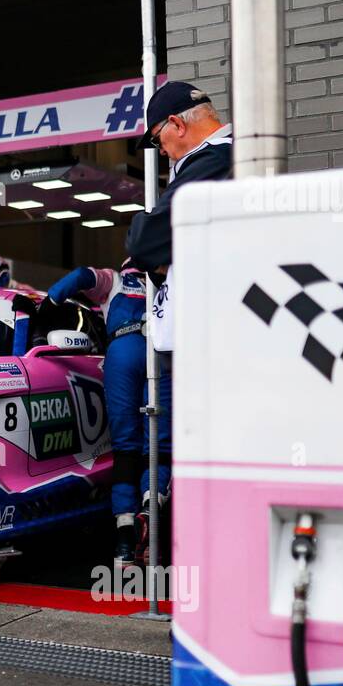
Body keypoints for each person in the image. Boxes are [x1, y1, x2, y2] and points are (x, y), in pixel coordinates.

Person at [124, 81, 233, 562]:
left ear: (176, 124)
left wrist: (153, 241)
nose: (158, 150)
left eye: (154, 139)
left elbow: (145, 244)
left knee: (206, 465)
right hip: (191, 338)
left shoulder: (218, 159)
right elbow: (154, 250)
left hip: (207, 341)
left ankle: (208, 590)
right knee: (189, 459)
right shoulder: (207, 165)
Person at [45, 260, 166, 564]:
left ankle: (124, 540)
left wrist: (52, 299)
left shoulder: (113, 280)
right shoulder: (169, 281)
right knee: (160, 446)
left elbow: (82, 275)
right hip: (162, 353)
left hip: (122, 351)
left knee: (126, 447)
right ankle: (150, 521)